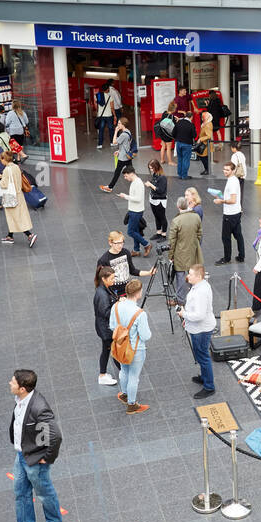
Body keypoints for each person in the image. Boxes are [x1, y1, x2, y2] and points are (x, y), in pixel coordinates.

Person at [7, 369, 63, 522]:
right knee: (20, 491)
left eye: (13, 382)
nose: (10, 383)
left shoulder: (39, 407)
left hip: (36, 459)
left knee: (44, 493)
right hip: (22, 454)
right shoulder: (21, 399)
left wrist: (47, 458)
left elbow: (56, 435)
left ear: (22, 388)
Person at [110, 278, 152, 413]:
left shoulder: (116, 306)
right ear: (138, 293)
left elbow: (112, 326)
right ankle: (132, 404)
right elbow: (146, 336)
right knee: (134, 376)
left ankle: (124, 394)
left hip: (120, 346)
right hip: (136, 349)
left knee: (123, 371)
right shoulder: (140, 313)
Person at [181, 264, 217, 398]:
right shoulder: (201, 285)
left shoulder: (201, 292)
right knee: (201, 355)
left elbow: (199, 315)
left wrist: (184, 315)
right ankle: (204, 377)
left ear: (199, 276)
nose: (187, 276)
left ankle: (209, 386)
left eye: (190, 274)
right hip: (198, 327)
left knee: (203, 356)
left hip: (201, 329)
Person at [0, 150, 36, 247]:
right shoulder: (16, 167)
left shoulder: (7, 170)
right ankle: (10, 236)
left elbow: (4, 185)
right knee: (14, 217)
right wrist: (2, 177)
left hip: (10, 197)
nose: (1, 162)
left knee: (15, 217)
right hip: (18, 195)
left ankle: (30, 235)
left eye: (1, 160)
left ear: (5, 159)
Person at [168, 195, 203, 304]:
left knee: (181, 276)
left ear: (178, 206)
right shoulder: (196, 217)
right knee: (192, 273)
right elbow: (199, 233)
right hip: (193, 250)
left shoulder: (176, 220)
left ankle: (181, 299)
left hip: (180, 252)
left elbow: (172, 241)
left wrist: (170, 256)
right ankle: (193, 296)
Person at [94, 265, 122, 387]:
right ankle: (120, 371)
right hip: (106, 329)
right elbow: (105, 312)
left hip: (104, 328)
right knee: (111, 350)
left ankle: (104, 374)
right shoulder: (102, 294)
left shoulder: (104, 289)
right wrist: (118, 306)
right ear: (104, 279)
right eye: (111, 278)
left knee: (107, 350)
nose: (113, 280)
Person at [114, 166, 151, 255]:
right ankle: (136, 250)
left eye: (126, 176)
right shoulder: (135, 182)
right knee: (136, 230)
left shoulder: (137, 183)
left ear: (131, 174)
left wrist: (125, 196)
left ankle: (146, 244)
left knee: (130, 231)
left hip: (136, 211)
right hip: (134, 210)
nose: (125, 178)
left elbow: (138, 199)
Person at [214, 161, 245, 264]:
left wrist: (221, 201)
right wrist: (221, 196)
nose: (225, 171)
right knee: (238, 235)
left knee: (226, 237)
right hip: (237, 212)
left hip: (230, 215)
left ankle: (227, 258)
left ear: (233, 170)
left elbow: (232, 200)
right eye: (224, 169)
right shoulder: (234, 180)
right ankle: (241, 256)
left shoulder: (231, 182)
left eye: (227, 170)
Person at [101, 114, 137, 191]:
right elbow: (126, 144)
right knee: (131, 171)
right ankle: (137, 183)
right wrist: (119, 151)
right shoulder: (128, 131)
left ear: (123, 124)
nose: (118, 125)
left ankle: (110, 187)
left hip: (123, 157)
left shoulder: (123, 134)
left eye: (119, 123)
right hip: (127, 156)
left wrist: (115, 131)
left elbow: (114, 142)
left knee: (117, 173)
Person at [145, 158, 169, 239]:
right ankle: (158, 232)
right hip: (153, 199)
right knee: (156, 216)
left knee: (162, 217)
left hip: (160, 200)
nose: (151, 170)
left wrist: (151, 185)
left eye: (152, 168)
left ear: (156, 167)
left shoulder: (162, 177)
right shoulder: (155, 174)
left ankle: (164, 234)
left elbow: (161, 190)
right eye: (150, 168)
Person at [173, 104, 197, 179]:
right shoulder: (191, 125)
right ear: (191, 117)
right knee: (186, 160)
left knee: (180, 159)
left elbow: (173, 133)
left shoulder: (179, 122)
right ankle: (184, 175)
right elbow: (194, 135)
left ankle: (180, 174)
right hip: (187, 144)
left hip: (178, 143)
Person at [158, 101, 178, 166]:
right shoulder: (172, 117)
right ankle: (170, 161)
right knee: (168, 148)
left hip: (162, 132)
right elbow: (174, 126)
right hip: (168, 135)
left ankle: (162, 160)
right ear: (174, 109)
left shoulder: (164, 113)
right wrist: (177, 120)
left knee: (163, 146)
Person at [195, 111, 215, 176]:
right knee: (204, 158)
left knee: (203, 158)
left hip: (206, 144)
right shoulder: (206, 123)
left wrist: (201, 139)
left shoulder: (208, 124)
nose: (202, 118)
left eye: (203, 117)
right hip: (205, 144)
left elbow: (209, 136)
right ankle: (207, 169)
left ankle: (207, 170)